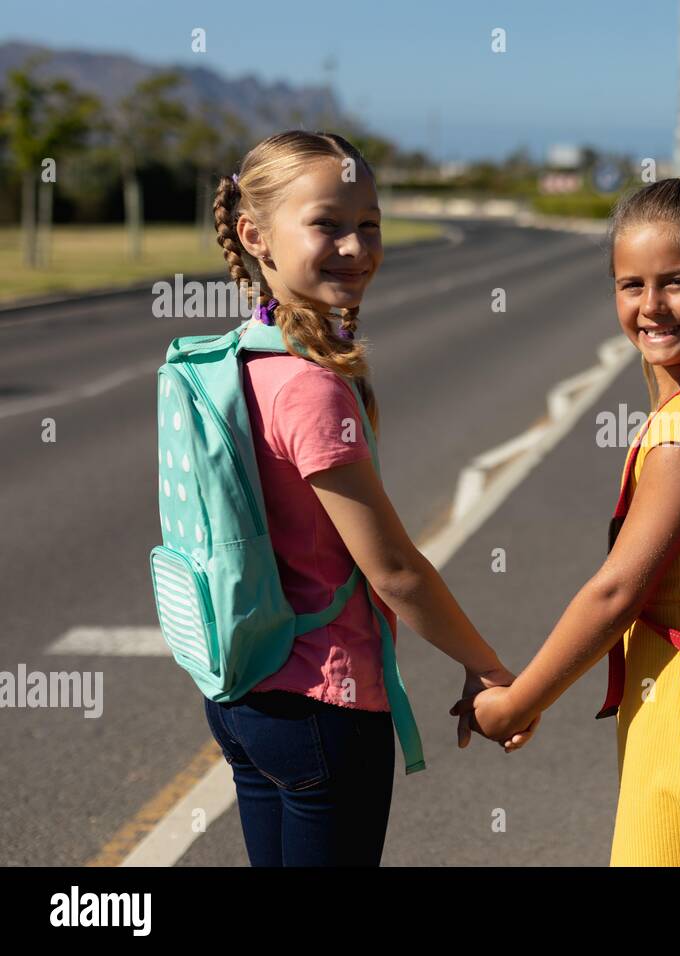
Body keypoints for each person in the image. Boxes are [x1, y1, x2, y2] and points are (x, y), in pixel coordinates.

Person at [453, 178, 680, 866]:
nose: (650, 306)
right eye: (631, 285)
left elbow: (616, 592)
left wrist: (516, 703)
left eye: (677, 282)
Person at [202, 130, 530, 866]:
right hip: (324, 703)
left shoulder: (237, 360)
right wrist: (487, 669)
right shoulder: (313, 387)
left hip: (241, 695)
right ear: (255, 235)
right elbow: (394, 571)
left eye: (370, 223)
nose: (357, 246)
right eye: (327, 224)